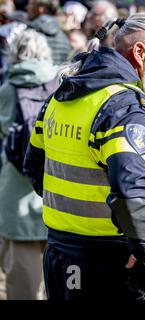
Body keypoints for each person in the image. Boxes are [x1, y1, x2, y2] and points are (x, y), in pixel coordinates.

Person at [23, 12, 145, 300]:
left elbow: (36, 168)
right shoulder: (125, 107)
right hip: (113, 264)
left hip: (61, 256)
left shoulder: (64, 94)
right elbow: (132, 193)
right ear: (141, 53)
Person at [0, 28, 57, 300]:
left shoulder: (7, 89)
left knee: (22, 284)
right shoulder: (59, 83)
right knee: (58, 282)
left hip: (16, 194)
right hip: (53, 191)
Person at [26, 0, 71, 66]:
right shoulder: (64, 38)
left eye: (30, 4)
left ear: (41, 9)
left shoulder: (29, 32)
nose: (26, 7)